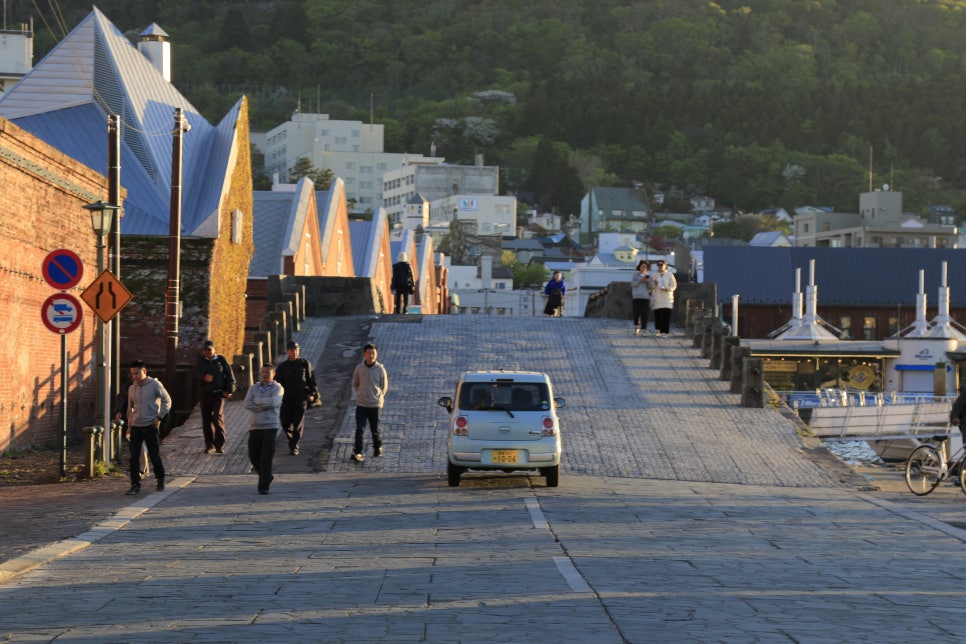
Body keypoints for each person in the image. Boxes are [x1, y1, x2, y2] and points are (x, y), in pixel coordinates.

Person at [124, 360, 171, 495]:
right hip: (136, 426)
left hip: (150, 425)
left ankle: (160, 478)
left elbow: (167, 401)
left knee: (154, 455)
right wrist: (129, 426)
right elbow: (130, 408)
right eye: (133, 374)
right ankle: (135, 484)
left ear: (144, 372)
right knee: (133, 457)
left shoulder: (155, 385)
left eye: (137, 373)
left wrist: (159, 417)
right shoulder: (132, 388)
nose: (135, 377)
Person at [244, 364, 284, 495]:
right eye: (263, 372)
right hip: (255, 427)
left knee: (266, 456)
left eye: (268, 372)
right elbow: (247, 403)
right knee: (253, 455)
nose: (265, 374)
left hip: (270, 426)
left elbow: (274, 402)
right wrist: (264, 405)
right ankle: (266, 476)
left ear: (273, 374)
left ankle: (263, 486)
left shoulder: (278, 388)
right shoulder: (253, 388)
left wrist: (258, 401)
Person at [274, 340, 318, 456]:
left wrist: (312, 393)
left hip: (301, 399)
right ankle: (292, 440)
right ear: (287, 352)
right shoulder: (282, 367)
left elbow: (311, 381)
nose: (294, 352)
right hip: (286, 400)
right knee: (285, 423)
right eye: (292, 350)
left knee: (298, 424)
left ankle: (294, 446)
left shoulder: (304, 364)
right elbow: (276, 383)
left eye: (296, 350)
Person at [351, 343, 388, 462]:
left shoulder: (380, 369)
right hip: (361, 404)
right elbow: (355, 383)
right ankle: (358, 451)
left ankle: (377, 447)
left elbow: (384, 386)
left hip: (374, 404)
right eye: (368, 353)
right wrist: (360, 393)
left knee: (375, 429)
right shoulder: (359, 368)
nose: (371, 355)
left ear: (376, 354)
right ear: (364, 354)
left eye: (373, 353)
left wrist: (378, 397)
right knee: (359, 429)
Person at [196, 340, 235, 454]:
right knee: (206, 420)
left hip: (218, 393)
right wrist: (204, 377)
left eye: (210, 350)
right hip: (205, 393)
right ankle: (210, 445)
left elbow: (229, 375)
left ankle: (220, 445)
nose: (208, 353)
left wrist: (229, 389)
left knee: (217, 418)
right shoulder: (201, 362)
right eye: (206, 351)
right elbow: (196, 373)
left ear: (214, 350)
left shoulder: (221, 360)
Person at [651, 260, 677, 336]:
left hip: (667, 298)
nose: (660, 266)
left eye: (662, 265)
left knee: (666, 315)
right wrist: (654, 284)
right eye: (659, 265)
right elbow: (651, 286)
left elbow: (674, 285)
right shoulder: (654, 275)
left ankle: (665, 331)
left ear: (665, 265)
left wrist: (668, 289)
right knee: (658, 315)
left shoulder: (669, 274)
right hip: (657, 297)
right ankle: (658, 329)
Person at [630, 259, 652, 335]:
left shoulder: (649, 276)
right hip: (637, 296)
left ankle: (643, 329)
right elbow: (633, 284)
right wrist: (640, 280)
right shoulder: (635, 275)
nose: (644, 268)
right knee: (636, 313)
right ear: (639, 267)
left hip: (646, 297)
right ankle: (636, 327)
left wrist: (647, 281)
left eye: (645, 267)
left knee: (645, 314)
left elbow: (651, 287)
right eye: (642, 266)